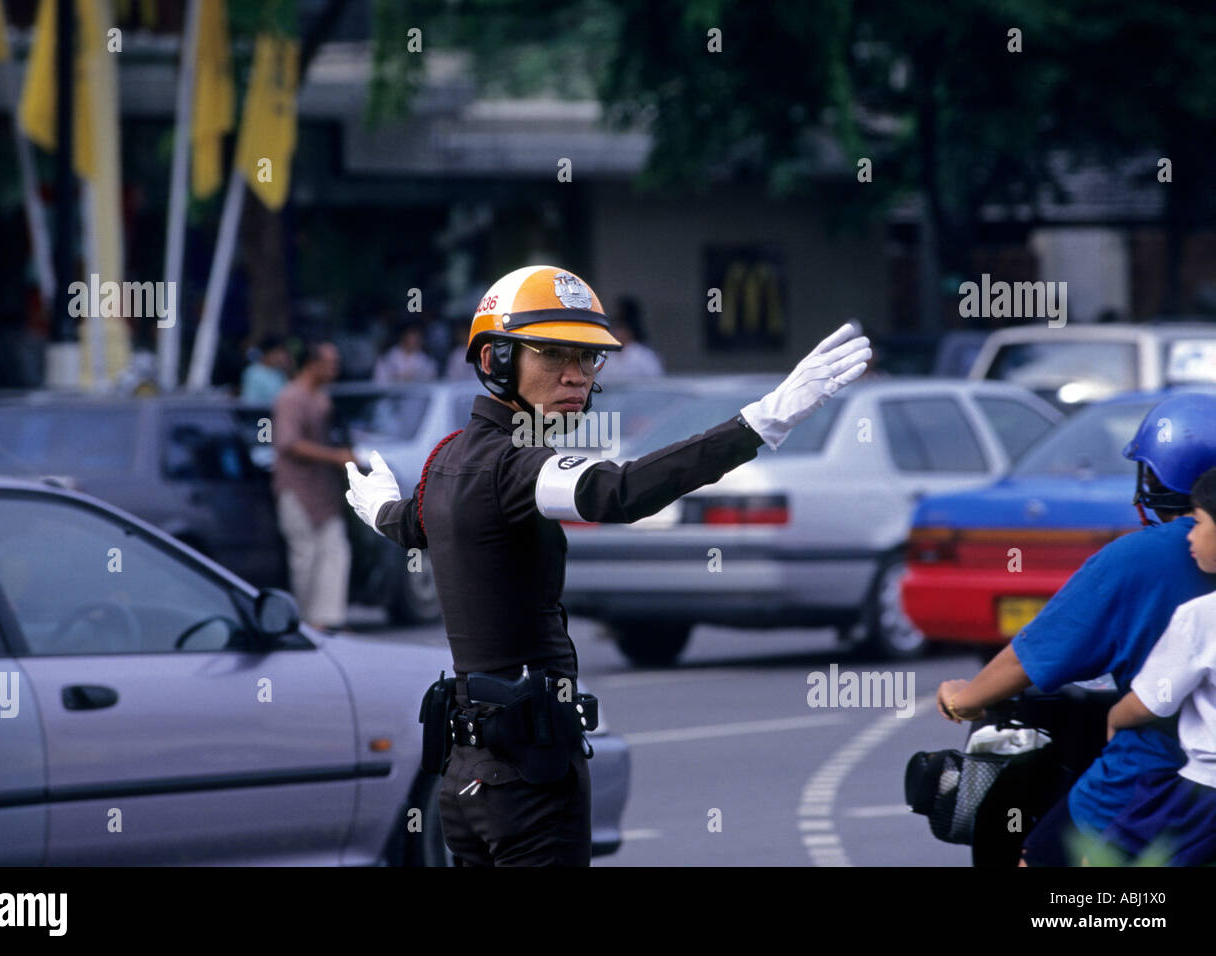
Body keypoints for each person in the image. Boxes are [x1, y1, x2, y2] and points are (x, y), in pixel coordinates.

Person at [345, 264, 870, 866]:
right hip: (527, 778)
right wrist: (760, 424)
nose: (576, 375)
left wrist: (381, 506)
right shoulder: (515, 466)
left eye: (589, 357)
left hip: (465, 780)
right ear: (495, 360)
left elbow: (413, 524)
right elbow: (617, 492)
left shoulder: (447, 462)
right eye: (553, 354)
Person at [935, 393, 1216, 866]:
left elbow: (1030, 656)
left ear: (1155, 480)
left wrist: (964, 699)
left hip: (1154, 782)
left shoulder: (1136, 558)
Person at [1101, 466, 1216, 865]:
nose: (1188, 534)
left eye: (1198, 522)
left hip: (1202, 796)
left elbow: (1151, 702)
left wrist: (1116, 718)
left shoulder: (1201, 617)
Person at [272, 341, 358, 631]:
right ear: (313, 363)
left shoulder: (322, 399)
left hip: (325, 492)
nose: (335, 368)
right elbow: (289, 443)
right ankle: (306, 623)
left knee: (335, 552)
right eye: (330, 362)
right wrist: (335, 457)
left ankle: (327, 620)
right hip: (297, 490)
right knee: (305, 557)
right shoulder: (291, 398)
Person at [598, 296, 664, 380]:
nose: (618, 333)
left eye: (622, 329)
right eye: (616, 328)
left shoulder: (644, 355)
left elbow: (656, 381)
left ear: (630, 331)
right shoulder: (609, 357)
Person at [373, 322, 437, 384]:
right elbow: (379, 381)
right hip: (391, 393)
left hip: (417, 394)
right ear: (403, 337)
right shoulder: (387, 357)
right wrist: (397, 378)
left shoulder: (426, 360)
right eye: (412, 337)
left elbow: (430, 380)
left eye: (418, 339)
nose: (414, 342)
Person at [241, 335, 291, 404]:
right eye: (278, 352)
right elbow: (250, 404)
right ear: (268, 353)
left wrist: (288, 369)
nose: (282, 357)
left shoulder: (280, 372)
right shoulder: (253, 373)